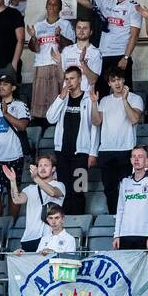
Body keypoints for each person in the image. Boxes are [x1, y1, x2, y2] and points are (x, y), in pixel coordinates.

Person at [45, 67, 99, 215]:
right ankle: (65, 223)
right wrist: (60, 98)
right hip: (62, 153)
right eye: (67, 79)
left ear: (80, 79)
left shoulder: (88, 99)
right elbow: (50, 118)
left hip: (81, 154)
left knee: (79, 190)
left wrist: (93, 153)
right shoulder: (63, 99)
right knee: (64, 190)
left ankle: (78, 220)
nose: (69, 82)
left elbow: (95, 127)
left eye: (72, 78)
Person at [74, 0, 143, 79]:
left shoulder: (134, 7)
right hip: (103, 54)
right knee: (101, 93)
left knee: (123, 93)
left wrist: (126, 57)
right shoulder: (104, 3)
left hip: (121, 55)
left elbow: (134, 36)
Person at [93, 69, 144, 213]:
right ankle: (113, 217)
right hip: (105, 150)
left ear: (124, 81)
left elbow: (134, 119)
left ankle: (127, 217)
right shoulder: (104, 100)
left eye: (119, 79)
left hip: (126, 149)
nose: (117, 83)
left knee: (127, 188)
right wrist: (93, 104)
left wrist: (124, 99)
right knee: (109, 189)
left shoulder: (135, 98)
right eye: (113, 80)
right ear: (109, 83)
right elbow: (96, 122)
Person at [112, 147, 148, 249]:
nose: (136, 159)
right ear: (130, 160)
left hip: (145, 235)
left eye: (140, 156)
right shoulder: (125, 182)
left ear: (146, 160)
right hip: (125, 234)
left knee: (146, 265)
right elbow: (120, 210)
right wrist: (116, 235)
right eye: (134, 156)